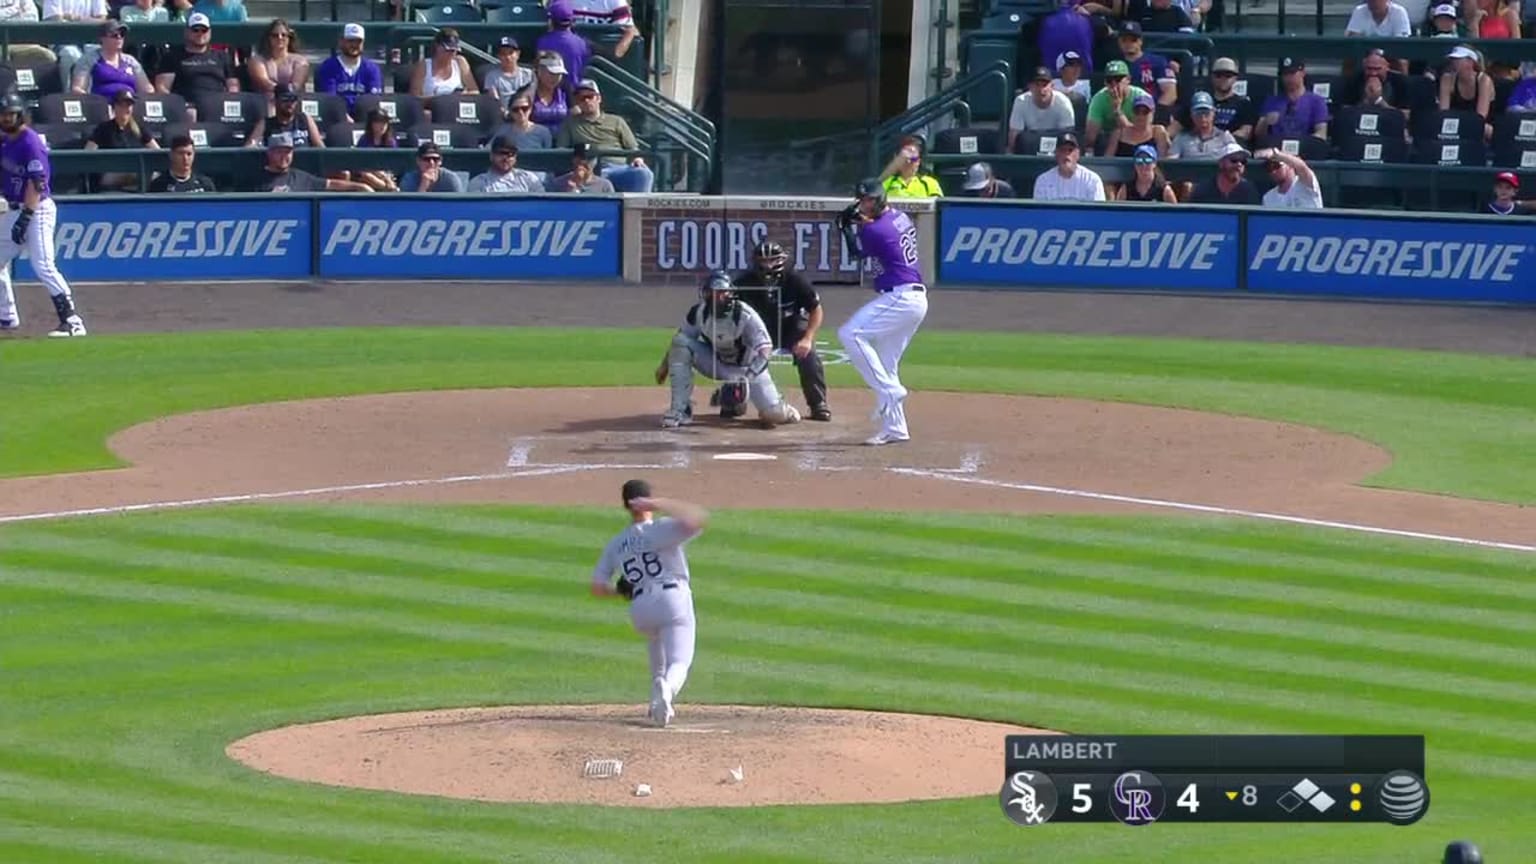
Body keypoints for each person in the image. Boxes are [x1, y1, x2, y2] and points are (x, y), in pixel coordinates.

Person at [589, 479, 707, 729]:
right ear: (646, 500)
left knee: (656, 642)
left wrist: (619, 592)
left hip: (640, 608)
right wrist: (659, 503)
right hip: (672, 599)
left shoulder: (616, 543)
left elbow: (597, 587)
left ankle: (656, 697)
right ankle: (667, 693)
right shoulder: (659, 529)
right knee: (679, 662)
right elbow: (697, 518)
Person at [835, 178, 929, 446]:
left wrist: (845, 229)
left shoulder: (875, 231)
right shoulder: (899, 217)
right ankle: (896, 428)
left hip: (902, 297)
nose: (863, 205)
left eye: (868, 201)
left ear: (879, 201)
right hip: (913, 299)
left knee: (851, 334)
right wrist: (859, 219)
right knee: (887, 363)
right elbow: (875, 225)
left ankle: (891, 391)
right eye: (861, 201)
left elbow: (857, 253)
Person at [655, 270, 803, 429]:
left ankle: (777, 407)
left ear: (730, 293)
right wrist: (664, 365)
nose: (717, 298)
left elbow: (765, 351)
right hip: (717, 362)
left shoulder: (745, 315)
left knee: (773, 415)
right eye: (712, 293)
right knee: (681, 343)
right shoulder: (698, 312)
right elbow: (680, 339)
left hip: (749, 369)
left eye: (721, 293)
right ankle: (680, 409)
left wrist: (747, 377)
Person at [0, 93, 86, 337]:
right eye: (4, 115)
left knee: (43, 265)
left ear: (21, 115)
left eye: (11, 114)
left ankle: (72, 320)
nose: (7, 119)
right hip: (16, 208)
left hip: (37, 209)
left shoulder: (30, 142)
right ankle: (6, 316)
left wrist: (26, 216)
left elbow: (37, 183)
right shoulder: (5, 142)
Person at [726, 240, 833, 422]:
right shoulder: (743, 283)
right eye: (763, 261)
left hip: (790, 327)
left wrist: (807, 338)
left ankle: (818, 404)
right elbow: (730, 311)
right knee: (733, 352)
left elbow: (816, 308)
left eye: (773, 260)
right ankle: (733, 400)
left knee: (810, 356)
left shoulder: (795, 280)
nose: (768, 265)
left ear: (782, 260)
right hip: (758, 330)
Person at [555, 79, 652, 192]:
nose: (586, 101)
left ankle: (636, 208)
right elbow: (561, 150)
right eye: (581, 98)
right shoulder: (569, 123)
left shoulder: (617, 121)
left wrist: (638, 159)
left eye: (590, 96)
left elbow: (633, 149)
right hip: (588, 169)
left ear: (599, 98)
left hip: (617, 168)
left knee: (644, 174)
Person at [153, 13, 238, 111]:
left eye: (204, 30)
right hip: (186, 108)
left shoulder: (222, 56)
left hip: (218, 108)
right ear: (187, 32)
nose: (200, 33)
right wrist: (179, 107)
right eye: (195, 30)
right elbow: (162, 87)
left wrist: (227, 105)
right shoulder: (172, 57)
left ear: (209, 32)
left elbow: (233, 87)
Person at [84, 89, 157, 191]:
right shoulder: (103, 128)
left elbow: (157, 151)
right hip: (110, 174)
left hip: (137, 172)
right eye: (121, 105)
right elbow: (87, 153)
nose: (125, 109)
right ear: (114, 107)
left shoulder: (140, 128)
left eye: (129, 105)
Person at [249, 133, 370, 192]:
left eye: (287, 152)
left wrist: (360, 186)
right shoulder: (257, 179)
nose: (284, 157)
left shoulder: (301, 177)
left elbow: (331, 184)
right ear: (270, 153)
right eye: (279, 152)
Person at [1254, 58, 1330, 144]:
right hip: (1276, 148)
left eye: (1292, 73)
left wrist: (1303, 142)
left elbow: (1321, 134)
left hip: (1305, 148)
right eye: (1285, 74)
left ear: (1303, 73)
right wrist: (1266, 122)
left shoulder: (1316, 101)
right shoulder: (1272, 101)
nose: (1288, 78)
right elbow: (1258, 135)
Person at [70, 20, 152, 100]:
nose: (119, 38)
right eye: (114, 35)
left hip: (128, 106)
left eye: (122, 34)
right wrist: (95, 104)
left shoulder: (130, 61)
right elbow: (77, 89)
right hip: (102, 107)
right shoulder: (89, 59)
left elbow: (147, 89)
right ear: (103, 38)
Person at [315, 23, 384, 116]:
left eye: (358, 41)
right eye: (350, 41)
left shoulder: (372, 69)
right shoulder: (328, 67)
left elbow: (373, 100)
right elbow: (330, 100)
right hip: (336, 119)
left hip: (365, 119)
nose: (354, 45)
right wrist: (344, 117)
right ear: (341, 42)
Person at [1085, 60, 1152, 154]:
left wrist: (1117, 111)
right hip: (1108, 140)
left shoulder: (1141, 97)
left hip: (1138, 141)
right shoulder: (1098, 99)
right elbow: (1090, 138)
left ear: (1128, 79)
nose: (1114, 85)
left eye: (1118, 79)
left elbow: (1140, 130)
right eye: (1109, 81)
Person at [1009, 66, 1077, 153]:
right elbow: (1014, 138)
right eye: (1037, 85)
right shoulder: (1020, 102)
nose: (1041, 90)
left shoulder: (1063, 103)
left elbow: (1068, 138)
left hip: (1057, 152)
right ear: (1030, 87)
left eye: (1045, 85)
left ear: (1052, 86)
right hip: (1029, 152)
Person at [247, 18, 309, 101]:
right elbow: (263, 81)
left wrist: (283, 94)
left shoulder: (300, 61)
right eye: (275, 35)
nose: (280, 38)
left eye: (283, 35)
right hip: (265, 104)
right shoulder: (257, 60)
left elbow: (296, 85)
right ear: (269, 38)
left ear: (289, 37)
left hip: (291, 103)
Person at [246, 83, 324, 149]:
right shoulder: (266, 124)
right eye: (285, 99)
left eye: (293, 99)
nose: (290, 103)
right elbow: (249, 148)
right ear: (276, 100)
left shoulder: (305, 119)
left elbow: (320, 147)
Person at [1031, 132, 1106, 201]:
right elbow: (1040, 213)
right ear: (1056, 154)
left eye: (1070, 150)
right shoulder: (1043, 181)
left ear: (1078, 154)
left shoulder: (1092, 180)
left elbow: (1098, 213)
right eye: (1063, 150)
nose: (1066, 154)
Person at [537, 0, 594, 85]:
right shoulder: (581, 43)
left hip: (553, 91)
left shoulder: (543, 42)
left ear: (551, 21)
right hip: (575, 91)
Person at [410, 29, 478, 98]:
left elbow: (475, 91)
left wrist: (461, 95)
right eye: (448, 50)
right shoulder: (423, 66)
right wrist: (439, 100)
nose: (451, 53)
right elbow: (415, 97)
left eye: (454, 50)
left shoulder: (460, 62)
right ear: (437, 46)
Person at [1188, 141, 1261, 204]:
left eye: (1243, 161)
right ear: (1221, 163)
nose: (1239, 164)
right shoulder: (1203, 189)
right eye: (1234, 160)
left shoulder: (1249, 190)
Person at [1255, 147, 1323, 208]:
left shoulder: (1306, 183)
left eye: (1276, 166)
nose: (1273, 171)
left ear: (1290, 165)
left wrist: (1276, 153)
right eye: (1269, 168)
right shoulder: (1268, 198)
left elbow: (1301, 167)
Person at [467, 138, 543, 193]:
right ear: (491, 156)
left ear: (515, 158)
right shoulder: (478, 183)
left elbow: (540, 206)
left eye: (510, 154)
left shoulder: (529, 179)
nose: (505, 158)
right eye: (501, 153)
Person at [148, 132, 216, 192]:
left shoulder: (205, 183)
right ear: (171, 155)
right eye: (180, 153)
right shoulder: (158, 185)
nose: (185, 158)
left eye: (189, 154)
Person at [524, 53, 573, 135]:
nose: (555, 78)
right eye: (551, 73)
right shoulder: (528, 93)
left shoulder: (566, 92)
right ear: (539, 71)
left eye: (559, 74)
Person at [879, 135, 944, 197]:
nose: (908, 162)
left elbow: (939, 206)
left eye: (913, 159)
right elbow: (872, 195)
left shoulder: (929, 183)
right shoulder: (887, 182)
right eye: (904, 158)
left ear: (919, 161)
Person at [488, 92, 553, 151]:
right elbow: (488, 150)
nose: (520, 113)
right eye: (515, 110)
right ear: (510, 112)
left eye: (524, 108)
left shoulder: (543, 132)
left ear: (530, 109)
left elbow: (548, 157)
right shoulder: (503, 130)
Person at [482, 35, 534, 102]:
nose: (507, 57)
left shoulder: (528, 74)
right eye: (503, 54)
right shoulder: (492, 76)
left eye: (511, 53)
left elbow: (531, 98)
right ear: (498, 56)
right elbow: (494, 101)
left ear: (518, 54)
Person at [544, 143, 615, 192]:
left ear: (595, 162)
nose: (583, 162)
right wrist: (567, 192)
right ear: (573, 160)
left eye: (588, 159)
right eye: (580, 158)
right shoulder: (558, 183)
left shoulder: (605, 185)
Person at [398, 141, 465, 193]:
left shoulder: (451, 179)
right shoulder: (409, 179)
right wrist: (423, 185)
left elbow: (459, 206)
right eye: (426, 159)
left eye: (435, 159)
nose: (431, 163)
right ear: (418, 161)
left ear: (440, 161)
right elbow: (411, 207)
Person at [1345, 0, 1413, 37]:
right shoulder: (1359, 11)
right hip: (1366, 57)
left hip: (1391, 57)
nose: (1375, 2)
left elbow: (1400, 45)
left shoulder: (1399, 12)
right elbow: (1353, 40)